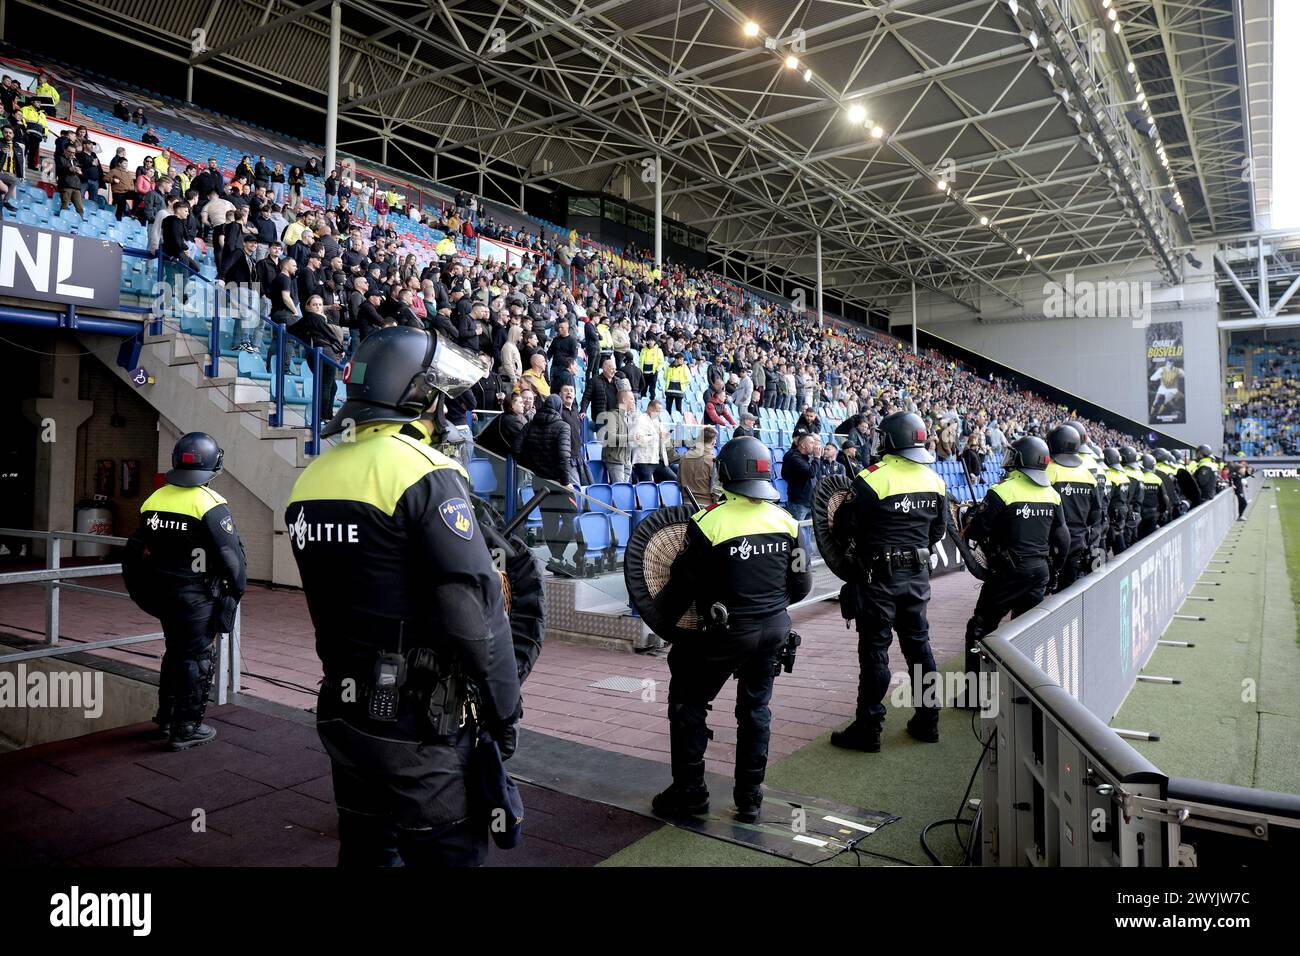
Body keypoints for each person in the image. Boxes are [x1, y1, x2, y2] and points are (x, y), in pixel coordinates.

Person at [286, 326, 525, 867]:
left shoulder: (312, 478)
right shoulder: (428, 474)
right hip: (420, 727)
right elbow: (473, 618)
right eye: (438, 396)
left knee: (366, 853)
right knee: (446, 857)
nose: (444, 408)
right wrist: (504, 714)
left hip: (343, 712)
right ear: (414, 395)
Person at [651, 436, 812, 822]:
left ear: (724, 474)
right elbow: (801, 585)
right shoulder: (788, 522)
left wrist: (659, 620)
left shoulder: (708, 523)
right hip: (774, 629)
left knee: (688, 703)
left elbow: (681, 587)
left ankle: (690, 793)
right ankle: (750, 800)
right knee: (756, 709)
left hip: (722, 634)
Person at [831, 411, 948, 752]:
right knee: (919, 648)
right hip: (917, 576)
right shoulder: (935, 480)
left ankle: (869, 728)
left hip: (878, 579)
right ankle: (929, 721)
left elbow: (842, 527)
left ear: (890, 440)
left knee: (875, 654)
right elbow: (937, 532)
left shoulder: (872, 479)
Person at [122, 433, 246, 750]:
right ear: (211, 464)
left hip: (162, 592)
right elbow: (232, 558)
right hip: (196, 596)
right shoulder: (209, 503)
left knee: (175, 652)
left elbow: (138, 549)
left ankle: (166, 718)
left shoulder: (155, 500)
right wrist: (236, 592)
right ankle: (186, 727)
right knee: (198, 656)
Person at [960, 437, 1069, 705]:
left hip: (1008, 573)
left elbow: (976, 530)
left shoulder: (1002, 491)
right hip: (1039, 571)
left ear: (1020, 459)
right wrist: (1054, 570)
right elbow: (1063, 539)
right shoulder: (1052, 494)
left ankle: (974, 695)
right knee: (1023, 632)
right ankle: (1022, 693)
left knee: (981, 627)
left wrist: (974, 517)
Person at [1044, 424, 1104, 591]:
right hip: (1078, 543)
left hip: (1050, 544)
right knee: (1068, 592)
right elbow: (1096, 513)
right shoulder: (1088, 474)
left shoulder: (1048, 472)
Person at [678, 425, 721, 507]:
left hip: (686, 504)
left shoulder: (684, 457)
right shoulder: (712, 461)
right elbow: (716, 490)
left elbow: (679, 482)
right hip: (707, 507)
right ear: (713, 442)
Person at [1101, 447, 1133, 555]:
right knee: (1121, 550)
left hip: (1111, 520)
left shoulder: (1108, 477)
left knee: (1103, 551)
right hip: (1121, 517)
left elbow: (1106, 500)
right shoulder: (1125, 477)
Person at [1136, 454, 1169, 539]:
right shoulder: (1157, 479)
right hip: (1153, 514)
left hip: (1139, 514)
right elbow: (1164, 498)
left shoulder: (1138, 478)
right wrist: (1163, 511)